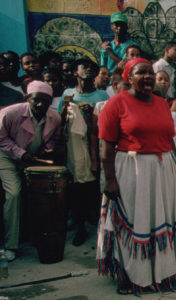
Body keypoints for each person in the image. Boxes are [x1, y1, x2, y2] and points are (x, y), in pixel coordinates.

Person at [96, 58, 176, 295]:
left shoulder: (162, 104)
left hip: (164, 170)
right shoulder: (116, 104)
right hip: (132, 169)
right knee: (134, 221)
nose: (148, 77)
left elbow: (170, 140)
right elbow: (106, 147)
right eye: (141, 73)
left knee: (166, 219)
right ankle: (129, 275)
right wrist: (109, 179)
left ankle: (171, 270)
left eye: (151, 73)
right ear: (129, 78)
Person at [0, 81, 61, 261]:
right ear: (27, 98)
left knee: (40, 194)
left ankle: (37, 236)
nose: (40, 104)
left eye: (45, 101)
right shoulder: (10, 113)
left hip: (31, 158)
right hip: (5, 156)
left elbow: (53, 139)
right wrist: (20, 153)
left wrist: (46, 150)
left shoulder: (55, 118)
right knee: (14, 193)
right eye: (36, 100)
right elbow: (1, 139)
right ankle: (11, 245)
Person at [58, 58, 109, 246]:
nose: (88, 70)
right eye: (84, 67)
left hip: (97, 146)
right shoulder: (68, 94)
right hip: (76, 148)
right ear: (75, 72)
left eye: (91, 68)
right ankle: (80, 228)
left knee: (97, 189)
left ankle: (100, 226)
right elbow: (60, 122)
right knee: (78, 188)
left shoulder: (102, 95)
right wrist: (68, 109)